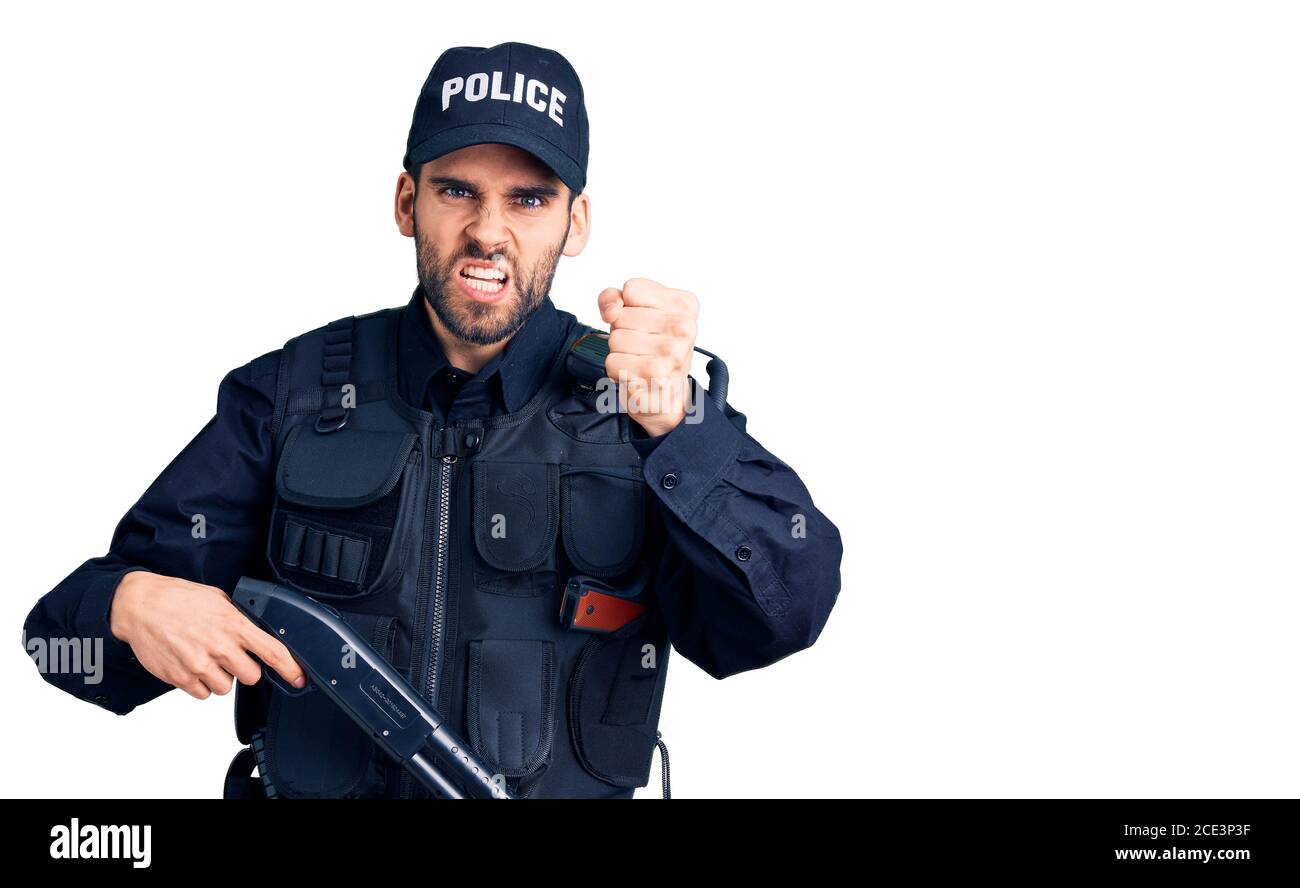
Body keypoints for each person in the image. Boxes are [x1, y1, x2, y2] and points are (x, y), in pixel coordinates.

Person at [23, 41, 842, 799]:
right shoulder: (290, 393)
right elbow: (61, 649)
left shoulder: (643, 405)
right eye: (458, 190)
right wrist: (127, 603)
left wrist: (683, 433)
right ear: (407, 201)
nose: (489, 231)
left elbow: (787, 616)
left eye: (528, 198)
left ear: (576, 222)